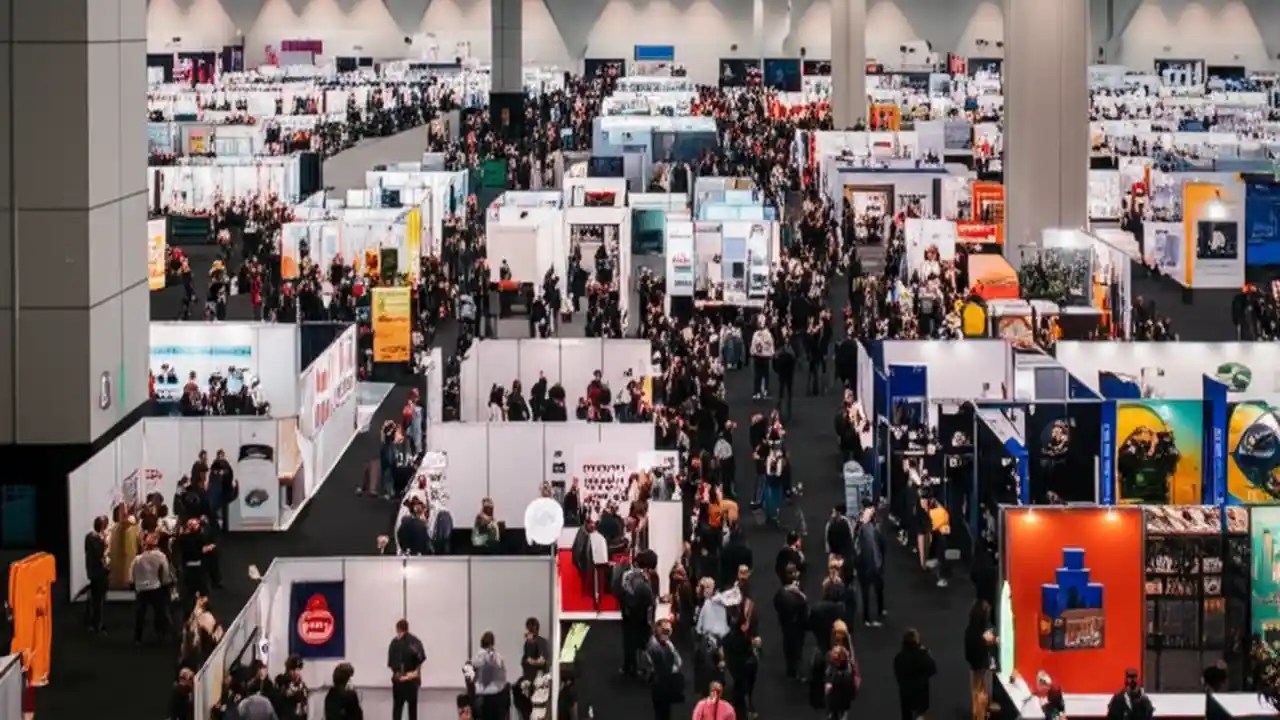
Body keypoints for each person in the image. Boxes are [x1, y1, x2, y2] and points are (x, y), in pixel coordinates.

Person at [130, 533, 171, 643]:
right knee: (159, 612)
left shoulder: (137, 559)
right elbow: (165, 572)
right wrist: (166, 583)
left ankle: (137, 638)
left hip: (141, 589)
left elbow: (132, 574)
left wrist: (135, 584)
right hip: (155, 587)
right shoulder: (160, 556)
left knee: (140, 614)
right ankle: (159, 634)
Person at [853, 502, 886, 626]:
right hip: (865, 566)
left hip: (875, 564)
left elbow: (881, 544)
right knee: (865, 593)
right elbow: (856, 542)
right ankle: (866, 618)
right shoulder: (860, 528)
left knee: (879, 588)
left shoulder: (874, 527)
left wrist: (881, 561)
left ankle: (880, 609)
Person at [892, 629, 937, 720]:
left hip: (905, 693)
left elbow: (898, 674)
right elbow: (932, 669)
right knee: (920, 714)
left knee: (907, 715)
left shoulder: (899, 657)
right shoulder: (922, 656)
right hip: (920, 692)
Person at [964, 600, 997, 720]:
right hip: (982, 666)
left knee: (977, 693)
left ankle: (979, 715)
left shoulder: (970, 630)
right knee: (983, 694)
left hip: (974, 665)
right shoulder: (981, 634)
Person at [645, 618, 684, 720]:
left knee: (664, 713)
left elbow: (678, 662)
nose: (668, 634)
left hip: (663, 684)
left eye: (669, 631)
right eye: (665, 631)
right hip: (660, 685)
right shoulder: (655, 648)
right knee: (662, 713)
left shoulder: (665, 644)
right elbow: (672, 665)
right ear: (658, 630)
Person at [388, 619, 426, 720]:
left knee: (397, 709)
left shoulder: (394, 643)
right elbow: (420, 660)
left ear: (398, 629)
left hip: (399, 681)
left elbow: (391, 664)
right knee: (412, 711)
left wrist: (399, 675)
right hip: (412, 681)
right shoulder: (415, 642)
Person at [472, 631, 510, 720]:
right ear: (492, 644)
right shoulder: (498, 657)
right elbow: (503, 677)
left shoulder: (477, 658)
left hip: (481, 696)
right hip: (495, 697)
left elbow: (472, 676)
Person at [83, 515, 109, 633]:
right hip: (98, 573)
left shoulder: (89, 537)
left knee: (95, 599)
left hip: (93, 572)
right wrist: (104, 543)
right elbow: (99, 553)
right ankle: (97, 624)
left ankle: (93, 623)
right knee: (98, 600)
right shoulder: (96, 539)